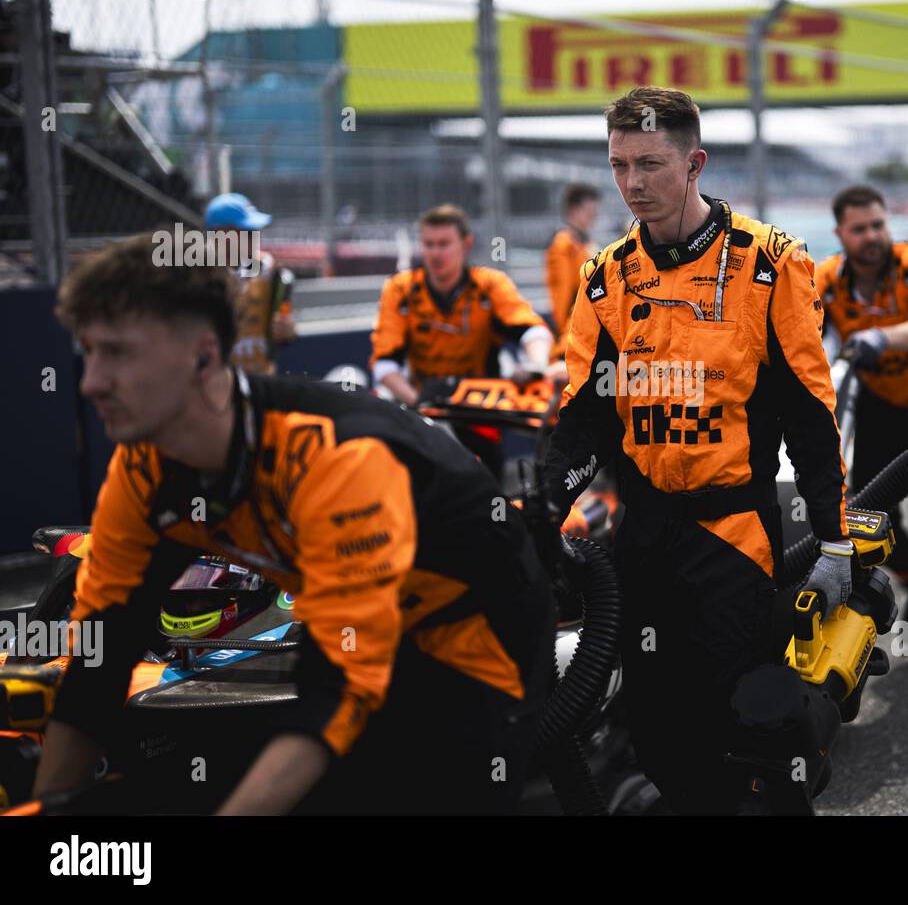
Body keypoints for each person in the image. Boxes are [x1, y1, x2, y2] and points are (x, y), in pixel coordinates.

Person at [35, 234, 554, 814]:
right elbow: (98, 661)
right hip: (352, 635)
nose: (90, 382)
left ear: (203, 355)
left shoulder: (337, 456)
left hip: (472, 640)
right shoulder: (143, 467)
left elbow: (339, 693)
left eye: (118, 353)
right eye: (89, 352)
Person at [542, 86, 851, 814]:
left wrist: (835, 542)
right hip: (641, 535)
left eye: (650, 163)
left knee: (753, 740)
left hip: (734, 532)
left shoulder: (771, 262)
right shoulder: (607, 274)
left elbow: (811, 412)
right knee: (658, 739)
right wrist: (545, 511)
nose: (633, 183)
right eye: (619, 165)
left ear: (695, 164)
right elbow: (583, 414)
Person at [815, 185, 908, 669]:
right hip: (878, 409)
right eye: (859, 229)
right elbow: (799, 332)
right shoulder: (827, 277)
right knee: (868, 515)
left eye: (878, 225)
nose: (872, 236)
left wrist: (879, 337)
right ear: (841, 234)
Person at [370, 204, 555, 475]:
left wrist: (536, 366)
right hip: (422, 407)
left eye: (444, 244)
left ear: (465, 244)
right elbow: (384, 366)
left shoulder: (490, 285)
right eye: (429, 244)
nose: (435, 253)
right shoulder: (400, 289)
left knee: (488, 489)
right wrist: (423, 408)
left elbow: (532, 331)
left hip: (479, 412)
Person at [204, 193, 296, 376]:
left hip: (261, 381)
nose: (255, 237)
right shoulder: (197, 278)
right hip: (216, 386)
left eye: (255, 231)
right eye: (246, 231)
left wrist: (288, 331)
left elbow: (285, 332)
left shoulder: (268, 269)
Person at [545, 183, 601, 360]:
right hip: (572, 330)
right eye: (589, 213)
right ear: (573, 211)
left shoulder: (583, 243)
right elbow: (563, 296)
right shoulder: (564, 245)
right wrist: (565, 337)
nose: (593, 218)